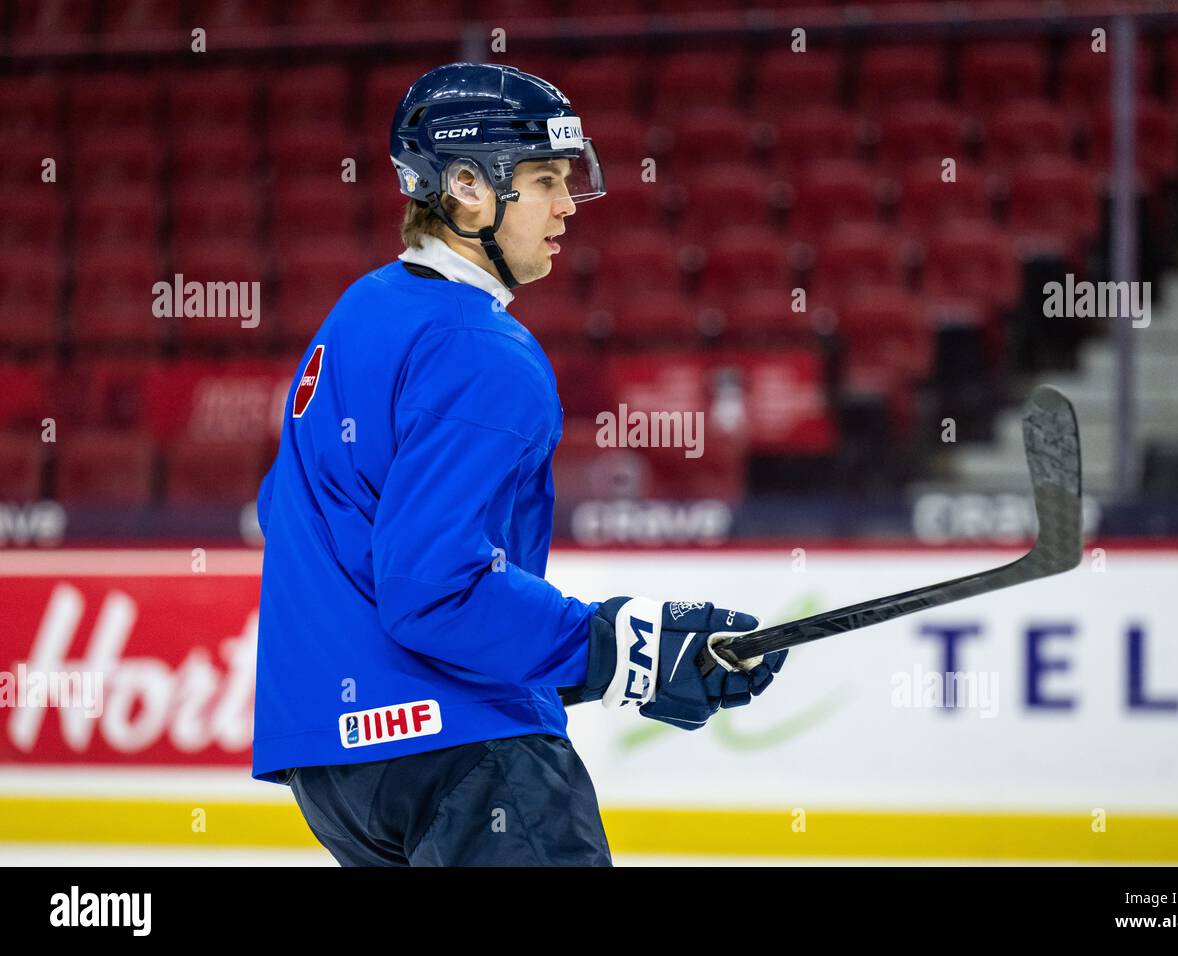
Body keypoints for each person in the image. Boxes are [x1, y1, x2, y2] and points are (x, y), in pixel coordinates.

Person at [251, 62, 788, 867]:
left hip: (339, 769)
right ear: (467, 186)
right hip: (468, 751)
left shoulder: (362, 309)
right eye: (545, 180)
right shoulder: (483, 350)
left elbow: (295, 514)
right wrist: (620, 649)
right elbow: (434, 589)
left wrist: (619, 649)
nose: (569, 206)